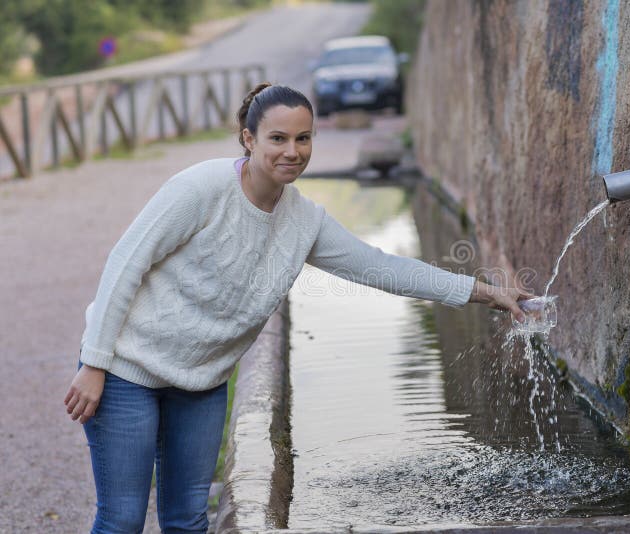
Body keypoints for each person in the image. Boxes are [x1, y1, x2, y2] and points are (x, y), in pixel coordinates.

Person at [64, 82, 530, 533]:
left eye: (303, 139)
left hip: (200, 384)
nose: (293, 151)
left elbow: (381, 267)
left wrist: (483, 291)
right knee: (122, 520)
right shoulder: (200, 189)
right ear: (249, 139)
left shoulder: (304, 221)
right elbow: (125, 265)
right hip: (128, 371)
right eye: (278, 138)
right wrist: (96, 362)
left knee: (187, 521)